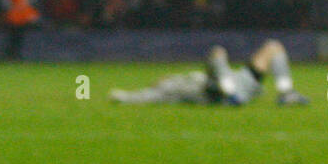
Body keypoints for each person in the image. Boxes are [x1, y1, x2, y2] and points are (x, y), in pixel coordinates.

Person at [110, 40, 308, 106]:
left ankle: (286, 93)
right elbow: (148, 96)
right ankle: (231, 93)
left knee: (273, 46)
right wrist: (123, 96)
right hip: (218, 90)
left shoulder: (182, 79)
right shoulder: (171, 88)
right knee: (217, 51)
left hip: (235, 80)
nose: (161, 78)